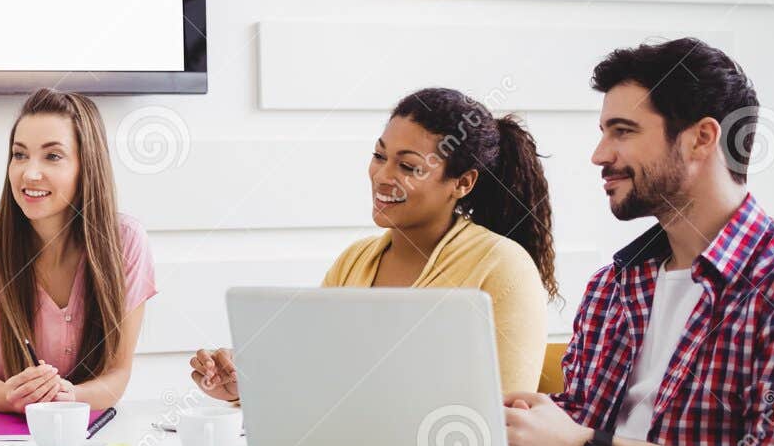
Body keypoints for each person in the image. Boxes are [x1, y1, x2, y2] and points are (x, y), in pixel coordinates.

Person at [504, 38, 774, 446]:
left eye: (622, 131)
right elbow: (576, 426)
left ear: (701, 138)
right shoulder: (612, 286)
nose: (600, 155)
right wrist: (528, 423)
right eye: (604, 132)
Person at [191, 87, 557, 401]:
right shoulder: (354, 261)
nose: (382, 177)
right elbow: (310, 383)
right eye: (380, 156)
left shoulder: (503, 267)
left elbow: (506, 419)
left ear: (462, 183)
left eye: (408, 167)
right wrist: (245, 387)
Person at [0, 88, 157, 413]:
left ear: (87, 166)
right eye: (20, 155)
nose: (29, 173)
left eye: (52, 156)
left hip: (84, 437)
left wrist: (68, 399)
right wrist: (14, 397)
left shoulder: (126, 241)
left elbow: (117, 376)